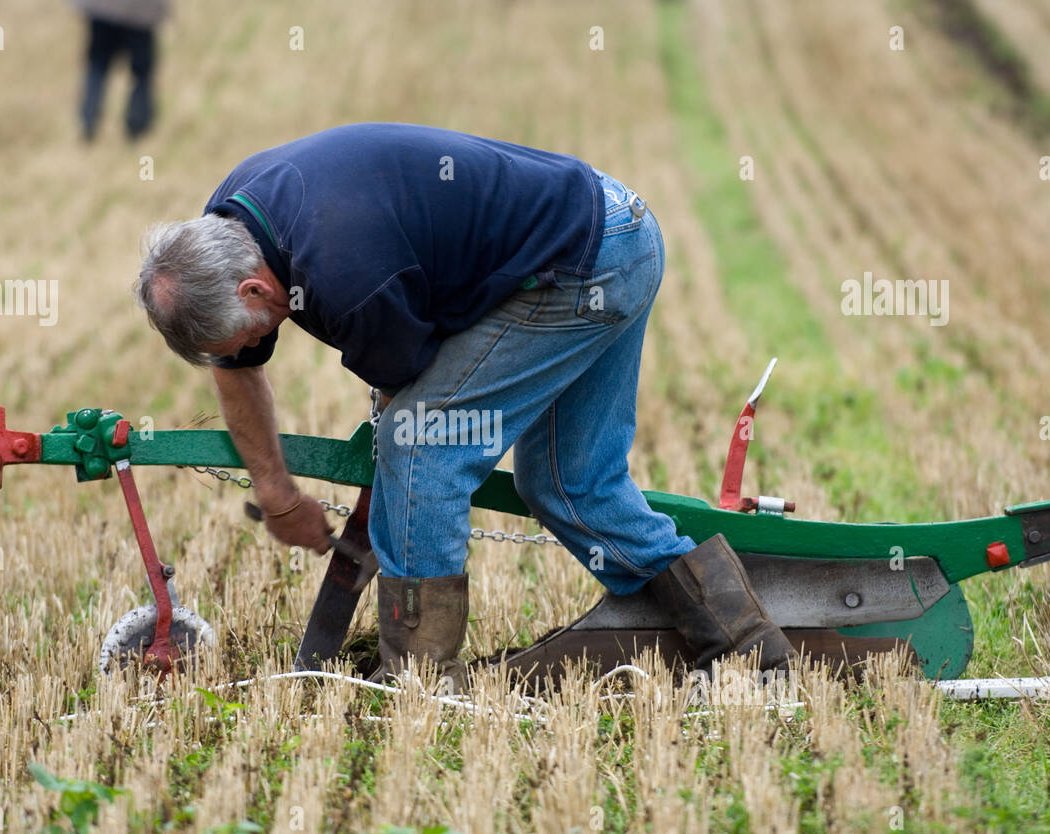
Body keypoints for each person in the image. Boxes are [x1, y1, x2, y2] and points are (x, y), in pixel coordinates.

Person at [135, 123, 794, 691]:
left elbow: (412, 419)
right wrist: (276, 492)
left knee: (424, 446)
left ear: (253, 285)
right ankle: (745, 642)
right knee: (572, 483)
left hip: (584, 268)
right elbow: (236, 368)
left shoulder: (348, 273)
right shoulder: (223, 228)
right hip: (615, 229)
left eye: (250, 334)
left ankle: (419, 676)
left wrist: (394, 505)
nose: (253, 348)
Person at [72, 0, 169, 141]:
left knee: (98, 65)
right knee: (141, 72)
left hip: (104, 9)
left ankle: (88, 121)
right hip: (141, 13)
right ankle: (137, 126)